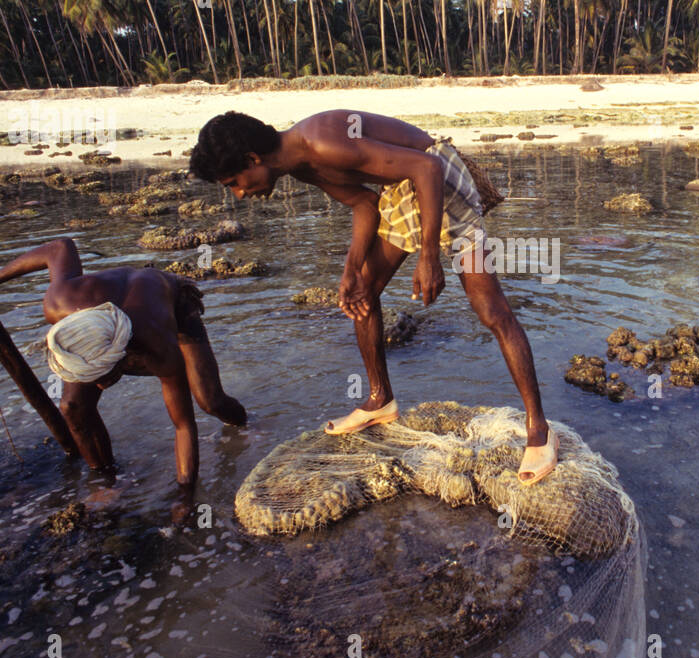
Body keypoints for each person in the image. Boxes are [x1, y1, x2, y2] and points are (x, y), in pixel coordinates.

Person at [188, 109, 559, 484]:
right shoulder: (300, 166)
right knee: (363, 291)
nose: (240, 193)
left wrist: (429, 256)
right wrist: (350, 269)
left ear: (253, 159)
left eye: (235, 182)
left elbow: (427, 167)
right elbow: (365, 205)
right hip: (401, 188)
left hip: (438, 178)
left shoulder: (322, 143)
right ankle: (380, 400)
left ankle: (539, 429)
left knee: (490, 309)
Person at [0, 238, 247, 486]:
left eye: (103, 376)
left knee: (209, 400)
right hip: (102, 315)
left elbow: (183, 426)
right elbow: (59, 247)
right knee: (72, 406)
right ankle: (104, 480)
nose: (100, 385)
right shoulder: (59, 302)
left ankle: (246, 426)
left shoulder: (158, 346)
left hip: (171, 302)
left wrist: (186, 496)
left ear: (125, 359)